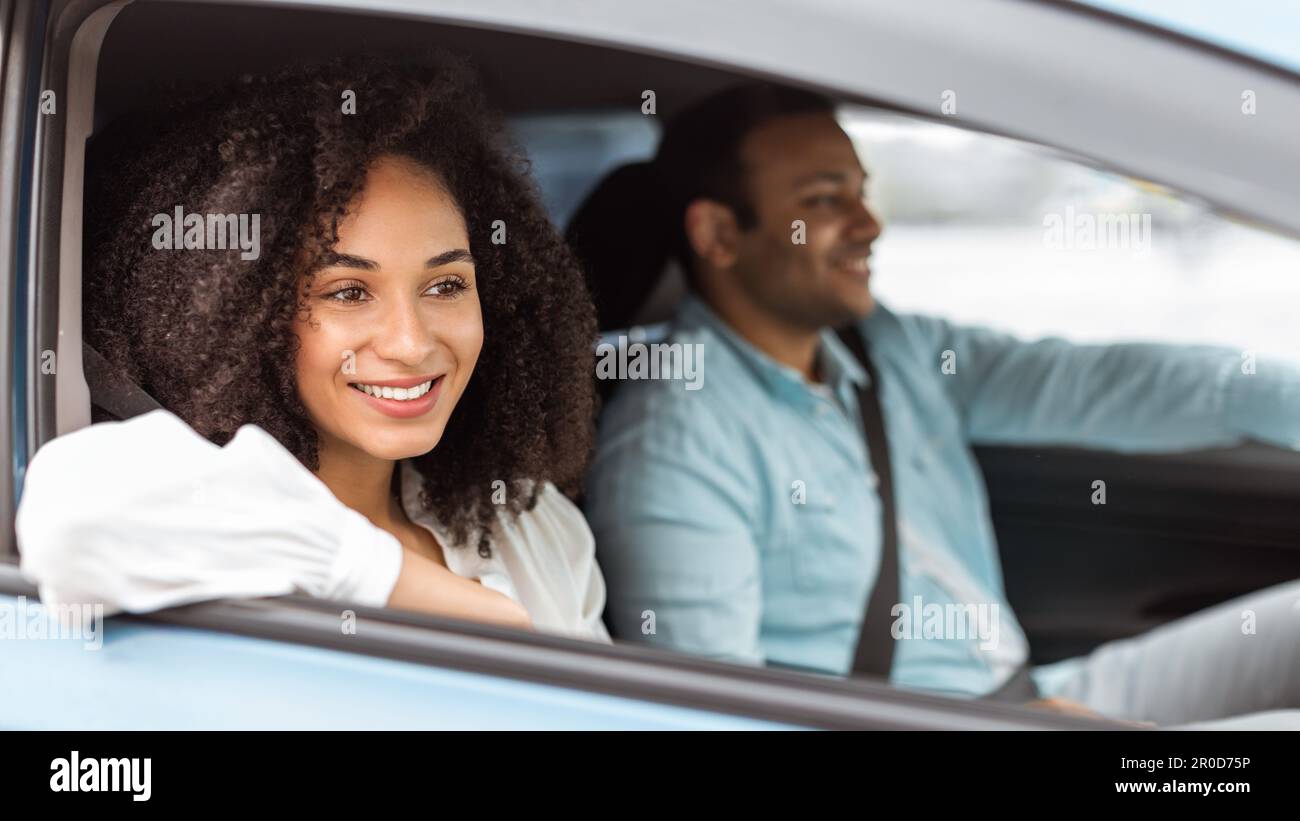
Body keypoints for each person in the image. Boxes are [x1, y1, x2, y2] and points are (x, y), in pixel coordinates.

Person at [580, 83, 1300, 726]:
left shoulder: (892, 348)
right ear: (719, 234)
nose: (869, 225)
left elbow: (1107, 383)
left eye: (861, 192)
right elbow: (715, 717)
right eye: (825, 201)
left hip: (1036, 694)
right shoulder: (672, 446)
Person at [17, 54, 608, 642]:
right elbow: (73, 521)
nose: (411, 342)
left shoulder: (533, 525)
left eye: (446, 285)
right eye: (348, 292)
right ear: (240, 316)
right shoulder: (202, 520)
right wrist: (402, 585)